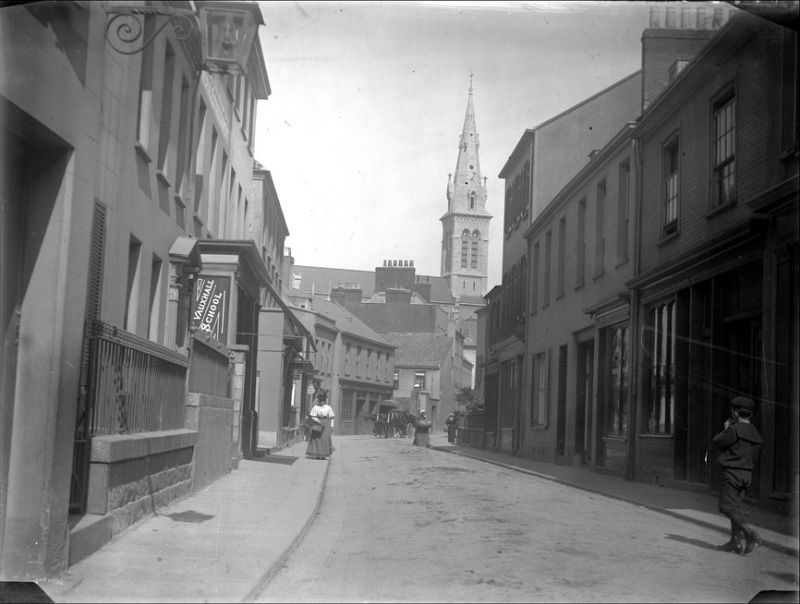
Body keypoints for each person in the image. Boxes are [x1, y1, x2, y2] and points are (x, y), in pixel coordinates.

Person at [711, 395, 763, 555]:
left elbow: (717, 441)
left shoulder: (734, 430)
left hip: (732, 473)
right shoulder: (756, 433)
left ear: (735, 413)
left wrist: (726, 428)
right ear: (751, 415)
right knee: (736, 508)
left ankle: (750, 533)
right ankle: (735, 542)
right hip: (747, 475)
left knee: (726, 506)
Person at [306, 389, 335, 460]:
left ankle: (323, 455)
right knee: (317, 439)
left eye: (323, 400)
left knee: (325, 439)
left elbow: (332, 417)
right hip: (318, 424)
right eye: (320, 400)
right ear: (319, 400)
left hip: (326, 425)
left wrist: (331, 426)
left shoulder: (328, 407)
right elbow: (312, 416)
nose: (322, 401)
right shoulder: (315, 407)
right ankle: (318, 455)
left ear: (325, 400)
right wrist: (317, 420)